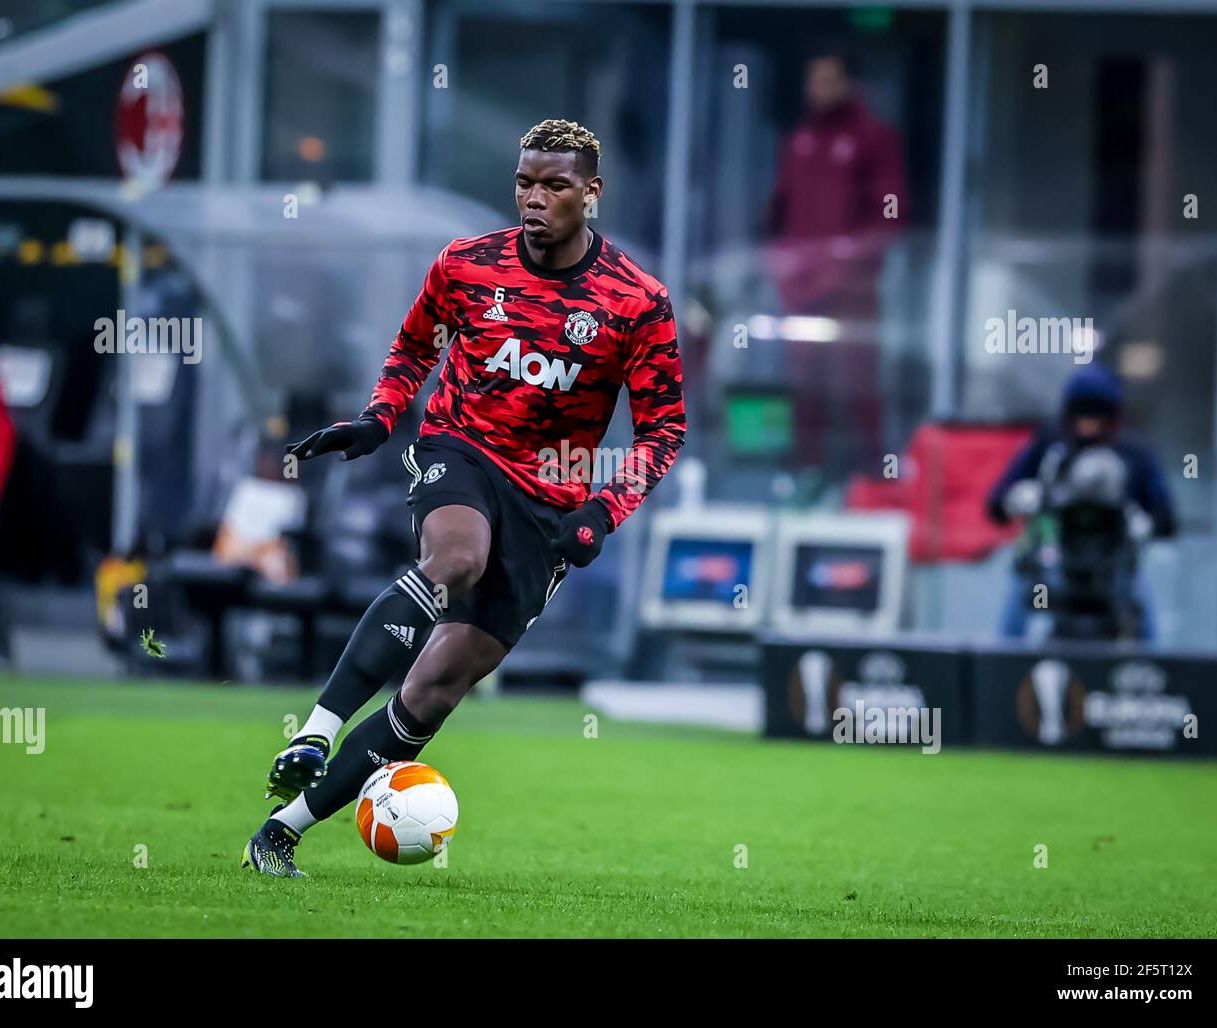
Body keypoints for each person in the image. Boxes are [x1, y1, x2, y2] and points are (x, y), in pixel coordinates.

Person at [242, 119, 687, 876]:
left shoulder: (636, 301)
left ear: (593, 192)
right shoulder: (466, 265)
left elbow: (663, 431)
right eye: (524, 182)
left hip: (549, 499)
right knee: (455, 557)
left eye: (554, 184)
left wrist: (601, 513)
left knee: (436, 689)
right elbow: (415, 344)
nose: (534, 197)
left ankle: (279, 833)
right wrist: (380, 418)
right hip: (463, 449)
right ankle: (316, 727)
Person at [765, 43, 907, 470]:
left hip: (852, 293)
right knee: (806, 388)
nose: (819, 89)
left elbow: (893, 211)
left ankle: (874, 478)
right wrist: (781, 263)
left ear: (848, 83)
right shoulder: (799, 140)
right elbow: (778, 211)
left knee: (860, 386)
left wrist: (850, 259)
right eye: (813, 80)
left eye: (828, 80)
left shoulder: (874, 138)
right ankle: (806, 476)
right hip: (802, 292)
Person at [986, 365, 1176, 640]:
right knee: (1021, 595)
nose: (1088, 420)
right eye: (1081, 412)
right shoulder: (1048, 448)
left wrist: (1145, 524)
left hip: (1116, 565)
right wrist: (1019, 498)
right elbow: (996, 502)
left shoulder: (1134, 456)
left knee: (1141, 607)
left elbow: (1167, 518)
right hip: (1050, 560)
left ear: (1112, 416)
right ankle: (1002, 666)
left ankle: (1150, 674)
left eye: (1097, 412)